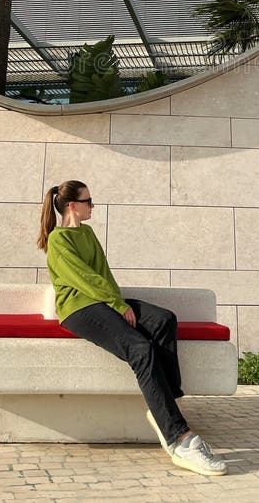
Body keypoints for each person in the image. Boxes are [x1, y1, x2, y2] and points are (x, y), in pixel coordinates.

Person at [37, 179, 228, 477]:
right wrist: (118, 305)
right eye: (89, 201)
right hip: (78, 308)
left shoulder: (87, 233)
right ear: (72, 205)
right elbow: (83, 280)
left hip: (104, 300)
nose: (93, 205)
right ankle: (179, 438)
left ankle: (163, 406)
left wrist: (117, 302)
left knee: (164, 319)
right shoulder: (58, 240)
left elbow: (104, 274)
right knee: (141, 348)